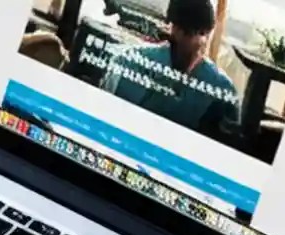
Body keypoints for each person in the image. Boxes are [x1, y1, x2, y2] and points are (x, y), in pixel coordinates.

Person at [100, 0, 240, 139]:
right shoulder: (132, 61)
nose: (194, 43)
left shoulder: (130, 60)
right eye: (188, 33)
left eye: (198, 34)